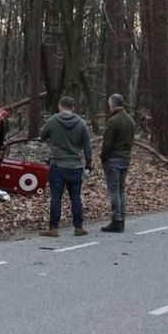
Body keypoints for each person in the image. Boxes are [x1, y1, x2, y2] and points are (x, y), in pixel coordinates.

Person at [39, 95, 93, 237]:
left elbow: (42, 135)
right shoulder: (81, 123)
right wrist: (89, 165)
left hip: (57, 165)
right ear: (73, 107)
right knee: (75, 197)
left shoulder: (53, 120)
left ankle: (54, 228)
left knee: (56, 197)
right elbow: (88, 146)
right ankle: (78, 227)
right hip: (75, 166)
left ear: (60, 106)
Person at [100, 93, 136, 232]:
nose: (109, 106)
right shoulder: (130, 120)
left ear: (113, 104)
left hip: (113, 158)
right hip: (125, 158)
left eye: (109, 104)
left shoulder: (113, 121)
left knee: (114, 190)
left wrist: (103, 157)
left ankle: (116, 220)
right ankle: (121, 218)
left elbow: (107, 143)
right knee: (121, 190)